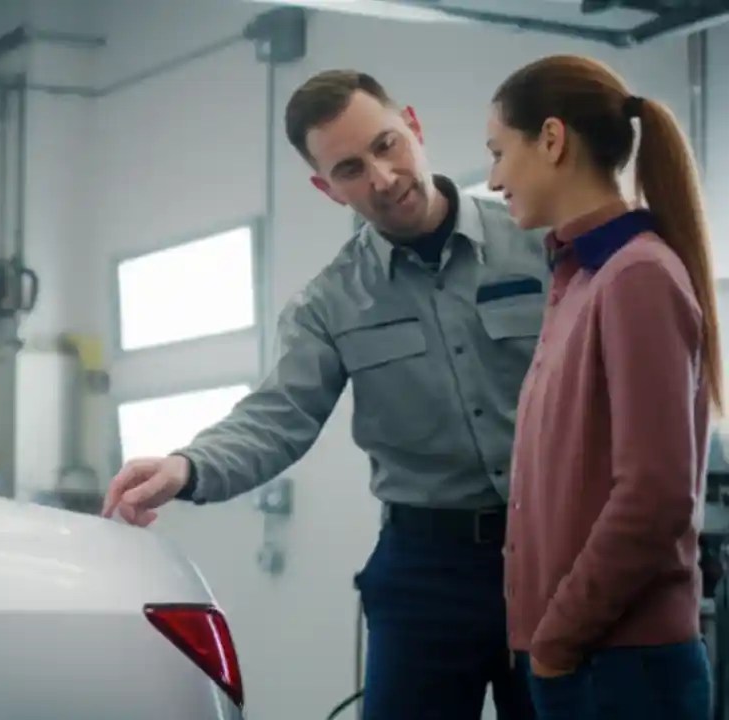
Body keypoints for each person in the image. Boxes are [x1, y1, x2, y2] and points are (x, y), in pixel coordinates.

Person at [102, 68, 548, 719]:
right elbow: (276, 417)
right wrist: (186, 466)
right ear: (327, 188)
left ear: (415, 127)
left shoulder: (539, 242)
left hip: (553, 551)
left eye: (388, 144)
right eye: (349, 168)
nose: (383, 177)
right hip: (426, 572)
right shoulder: (331, 302)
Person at [486, 54, 719, 720]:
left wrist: (556, 638)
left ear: (552, 139)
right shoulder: (582, 278)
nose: (495, 178)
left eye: (499, 152)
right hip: (586, 659)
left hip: (618, 667)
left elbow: (656, 494)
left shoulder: (634, 275)